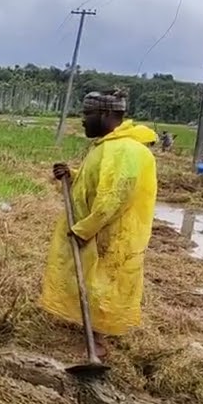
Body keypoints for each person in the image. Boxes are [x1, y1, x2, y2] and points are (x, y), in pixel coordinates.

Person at [40, 90, 158, 360]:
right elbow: (100, 184)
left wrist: (85, 229)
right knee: (95, 281)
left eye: (87, 114)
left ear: (105, 115)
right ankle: (92, 335)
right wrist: (72, 175)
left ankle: (99, 344)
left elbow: (114, 198)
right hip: (103, 230)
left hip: (111, 234)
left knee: (103, 284)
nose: (83, 120)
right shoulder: (111, 146)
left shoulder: (123, 150)